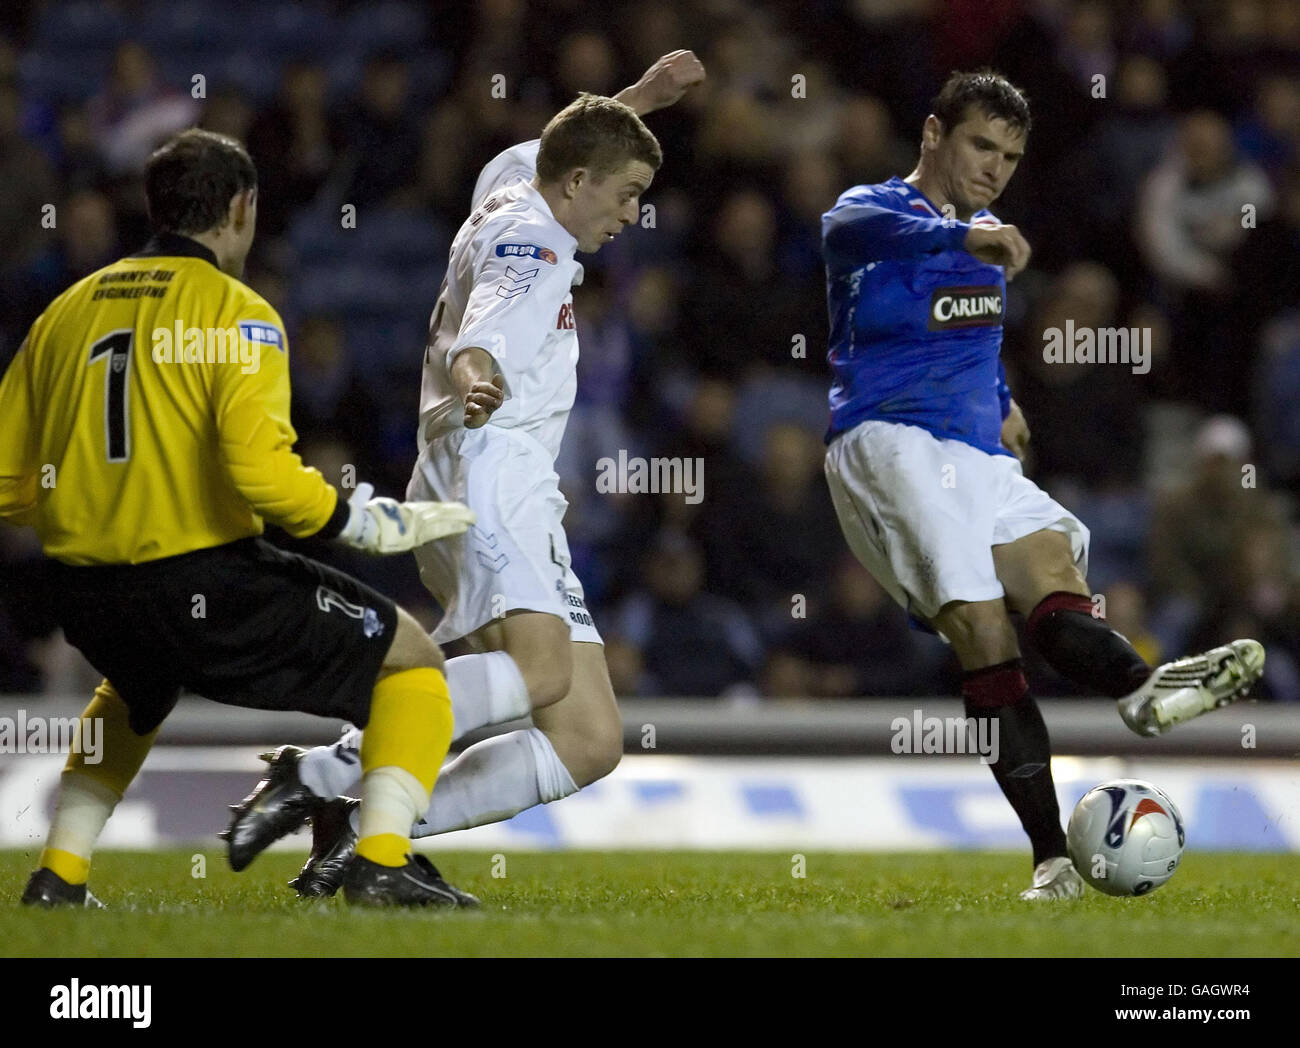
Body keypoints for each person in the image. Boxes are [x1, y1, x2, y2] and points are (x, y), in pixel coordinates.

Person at [224, 52, 707, 896]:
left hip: (483, 474)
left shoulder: (515, 181)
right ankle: (327, 775)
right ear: (582, 182)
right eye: (627, 194)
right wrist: (476, 371)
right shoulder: (536, 247)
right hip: (492, 468)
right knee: (541, 672)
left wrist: (641, 100)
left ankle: (372, 832)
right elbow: (483, 326)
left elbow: (566, 145)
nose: (634, 214)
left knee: (588, 738)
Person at [0, 128, 478, 909]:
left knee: (134, 686)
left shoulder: (65, 312)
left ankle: (59, 877)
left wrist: (99, 504)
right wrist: (365, 523)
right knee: (414, 662)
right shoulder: (239, 314)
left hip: (84, 592)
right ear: (241, 208)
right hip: (202, 581)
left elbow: (6, 483)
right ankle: (382, 863)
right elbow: (264, 480)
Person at [818, 71, 1264, 900]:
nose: (994, 168)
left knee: (1055, 581)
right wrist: (963, 243)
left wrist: (1001, 401)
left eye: (1010, 156)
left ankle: (1140, 690)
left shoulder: (989, 239)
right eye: (980, 145)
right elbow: (859, 229)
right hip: (889, 445)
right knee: (984, 632)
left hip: (976, 451)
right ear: (933, 134)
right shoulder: (871, 214)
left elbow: (968, 343)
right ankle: (1051, 858)